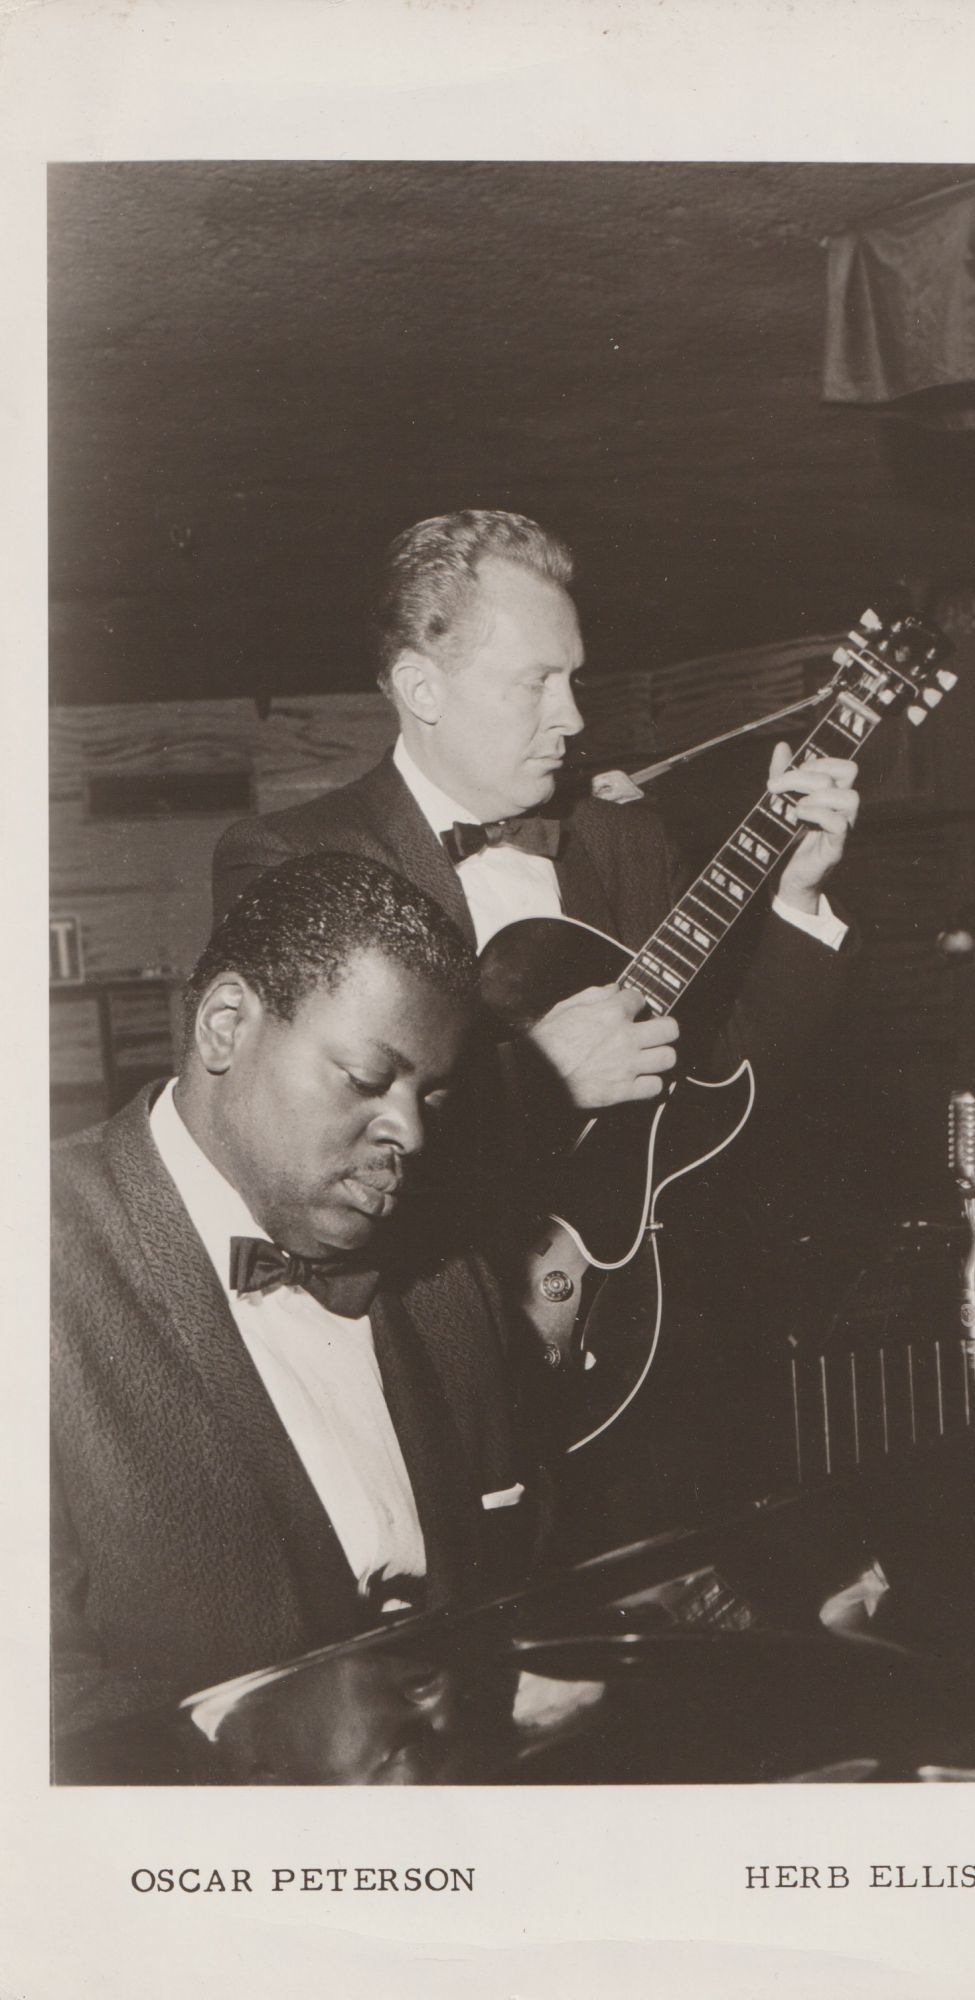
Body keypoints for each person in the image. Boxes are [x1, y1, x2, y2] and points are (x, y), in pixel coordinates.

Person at [51, 853, 548, 1742]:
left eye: (431, 1093)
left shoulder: (447, 1272)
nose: (410, 1130)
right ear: (226, 1026)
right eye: (365, 1080)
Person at [211, 511, 859, 1139]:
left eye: (572, 679)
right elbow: (288, 1134)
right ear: (421, 689)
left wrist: (796, 897)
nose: (573, 718)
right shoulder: (294, 856)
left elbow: (730, 1079)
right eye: (536, 683)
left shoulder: (623, 838)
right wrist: (539, 1083)